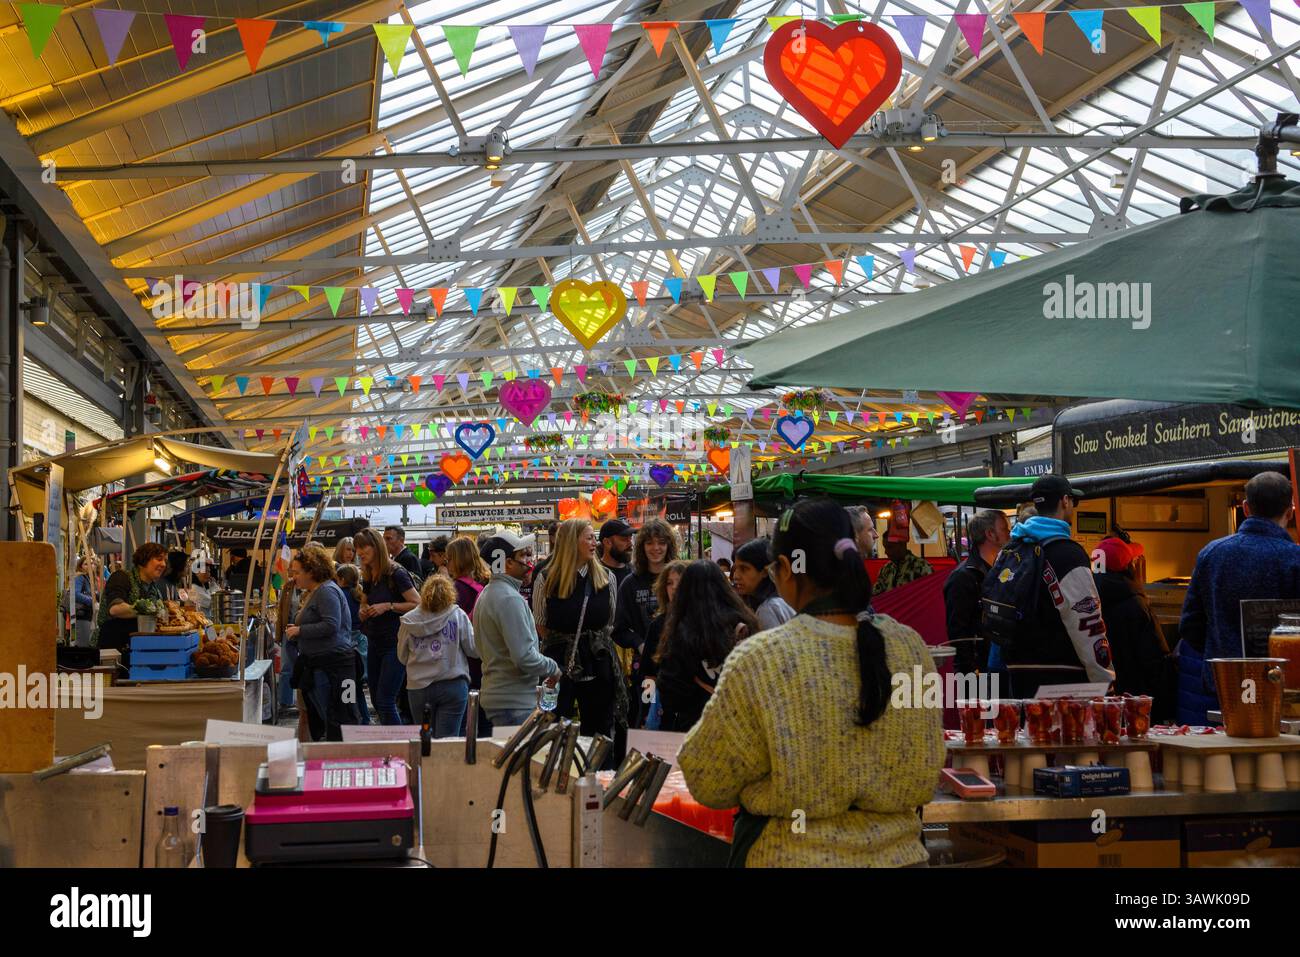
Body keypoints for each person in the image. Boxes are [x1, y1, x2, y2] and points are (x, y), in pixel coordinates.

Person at [677, 499, 945, 867]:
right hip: (901, 858)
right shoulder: (910, 648)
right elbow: (929, 766)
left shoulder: (761, 659)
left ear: (785, 568)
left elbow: (708, 779)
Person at [1178, 471, 1300, 723]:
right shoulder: (1294, 559)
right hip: (1286, 692)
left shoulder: (1211, 554)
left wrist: (1221, 648)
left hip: (1223, 687)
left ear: (1246, 507)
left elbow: (1190, 626)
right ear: (1290, 511)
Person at [984, 474, 1115, 696]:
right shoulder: (1068, 554)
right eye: (1073, 501)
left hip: (1017, 676)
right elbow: (1087, 622)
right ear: (1065, 501)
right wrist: (1105, 681)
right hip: (1063, 682)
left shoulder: (1012, 548)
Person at [534, 519, 623, 747]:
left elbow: (609, 623)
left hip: (598, 662)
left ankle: (598, 776)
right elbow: (541, 624)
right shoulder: (546, 578)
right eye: (589, 537)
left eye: (594, 538)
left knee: (599, 730)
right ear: (572, 541)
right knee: (556, 727)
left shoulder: (606, 578)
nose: (594, 543)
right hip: (559, 665)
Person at [656, 560, 758, 732]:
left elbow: (670, 694)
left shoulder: (682, 631)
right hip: (742, 725)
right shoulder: (745, 624)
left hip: (697, 728)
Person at [473, 530, 560, 728]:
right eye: (523, 555)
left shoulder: (489, 593)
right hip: (513, 702)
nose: (529, 560)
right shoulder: (509, 599)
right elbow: (524, 657)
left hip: (500, 697)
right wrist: (553, 668)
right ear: (507, 562)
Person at [1093, 535, 1174, 717]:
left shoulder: (1086, 601)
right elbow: (1155, 659)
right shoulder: (1136, 604)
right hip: (1136, 702)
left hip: (1101, 698)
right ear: (1127, 567)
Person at [284, 545, 358, 741]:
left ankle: (340, 758)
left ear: (312, 571)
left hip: (331, 667)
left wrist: (300, 630)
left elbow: (331, 625)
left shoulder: (326, 592)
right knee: (332, 717)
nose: (294, 577)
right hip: (324, 666)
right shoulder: (318, 591)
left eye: (297, 572)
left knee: (336, 717)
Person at [613, 520, 680, 725]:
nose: (656, 548)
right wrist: (640, 643)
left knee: (676, 719)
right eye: (649, 543)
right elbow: (618, 629)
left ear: (669, 545)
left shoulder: (682, 577)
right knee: (645, 716)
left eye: (661, 542)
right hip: (645, 670)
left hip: (679, 666)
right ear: (641, 546)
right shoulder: (630, 583)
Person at [398, 575, 478, 738]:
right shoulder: (458, 615)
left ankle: (424, 764)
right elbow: (473, 649)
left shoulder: (409, 620)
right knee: (448, 741)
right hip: (453, 683)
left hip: (419, 686)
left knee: (424, 740)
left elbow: (402, 656)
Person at [355, 527, 420, 725]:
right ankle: (392, 746)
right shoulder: (369, 574)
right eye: (358, 548)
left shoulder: (396, 572)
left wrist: (388, 606)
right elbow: (363, 602)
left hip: (395, 643)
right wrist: (363, 609)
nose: (360, 552)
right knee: (377, 700)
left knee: (385, 701)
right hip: (375, 642)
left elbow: (417, 603)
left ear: (376, 546)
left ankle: (399, 747)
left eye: (363, 547)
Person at [944, 509, 1010, 674]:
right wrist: (972, 669)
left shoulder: (1000, 570)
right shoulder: (963, 577)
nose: (1010, 533)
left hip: (997, 665)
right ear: (990, 534)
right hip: (975, 670)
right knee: (977, 701)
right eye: (1004, 529)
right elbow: (958, 631)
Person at [93, 543, 168, 661]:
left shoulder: (155, 589)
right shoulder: (122, 577)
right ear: (143, 560)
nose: (163, 564)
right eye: (159, 559)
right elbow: (115, 609)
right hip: (113, 650)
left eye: (165, 560)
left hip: (140, 652)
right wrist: (149, 610)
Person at [638, 560, 688, 729]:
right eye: (669, 583)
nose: (674, 588)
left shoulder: (700, 623)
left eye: (680, 583)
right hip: (662, 710)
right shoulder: (658, 625)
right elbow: (649, 675)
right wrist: (646, 712)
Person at [731, 538, 796, 631]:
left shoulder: (767, 610)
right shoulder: (783, 600)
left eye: (744, 569)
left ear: (765, 572)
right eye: (736, 568)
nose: (736, 576)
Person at [334, 563, 371, 724]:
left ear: (341, 579)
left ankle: (354, 721)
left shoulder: (339, 595)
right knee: (356, 686)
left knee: (348, 686)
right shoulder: (360, 594)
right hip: (361, 641)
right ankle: (365, 719)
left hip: (346, 643)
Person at [598, 518, 635, 591]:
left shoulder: (635, 571)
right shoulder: (595, 573)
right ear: (607, 542)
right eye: (624, 539)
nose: (630, 543)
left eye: (630, 539)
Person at [73, 556, 97, 647]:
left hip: (88, 614)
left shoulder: (89, 579)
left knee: (87, 641)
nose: (90, 566)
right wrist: (92, 601)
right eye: (86, 564)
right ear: (81, 566)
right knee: (83, 643)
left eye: (92, 564)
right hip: (82, 614)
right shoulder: (80, 577)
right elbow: (75, 594)